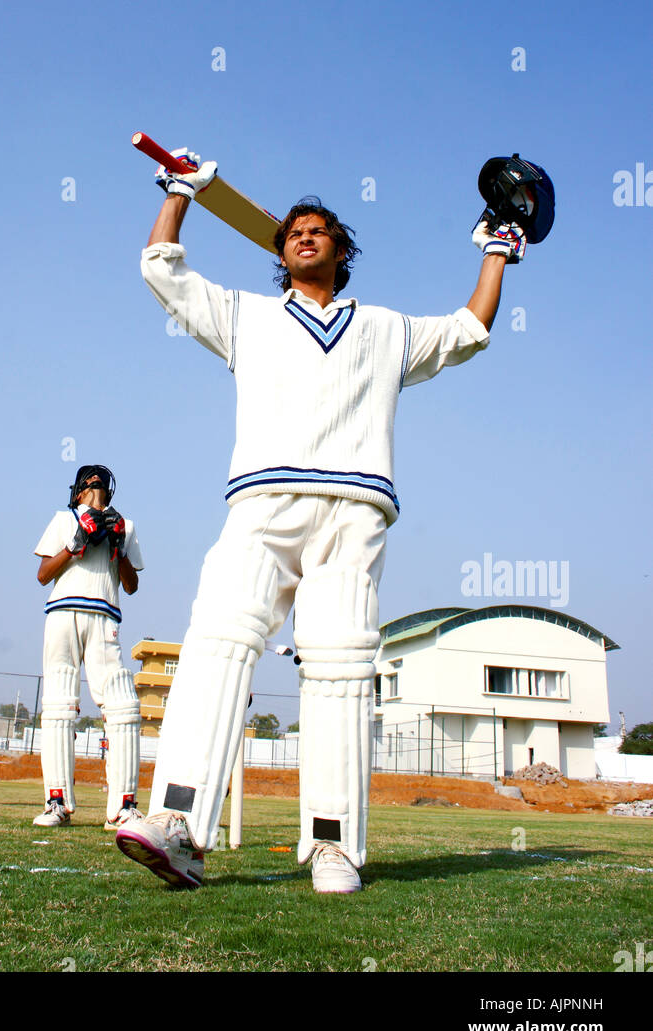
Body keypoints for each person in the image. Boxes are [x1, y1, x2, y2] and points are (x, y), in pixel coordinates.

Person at [116, 154, 520, 892]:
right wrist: (181, 193)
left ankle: (333, 845)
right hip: (261, 507)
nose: (306, 237)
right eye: (295, 231)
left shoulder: (388, 329)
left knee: (338, 668)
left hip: (355, 511)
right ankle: (177, 825)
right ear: (279, 252)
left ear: (341, 250)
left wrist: (497, 250)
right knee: (216, 646)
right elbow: (162, 271)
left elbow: (469, 329)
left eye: (320, 230)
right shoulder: (247, 316)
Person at [33, 465, 145, 830]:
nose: (96, 485)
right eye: (90, 482)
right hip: (62, 613)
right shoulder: (63, 520)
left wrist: (118, 546)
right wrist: (76, 542)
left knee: (124, 707)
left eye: (101, 482)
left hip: (105, 616)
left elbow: (131, 586)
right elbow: (43, 575)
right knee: (58, 706)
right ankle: (57, 802)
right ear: (79, 492)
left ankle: (122, 807)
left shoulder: (124, 526)